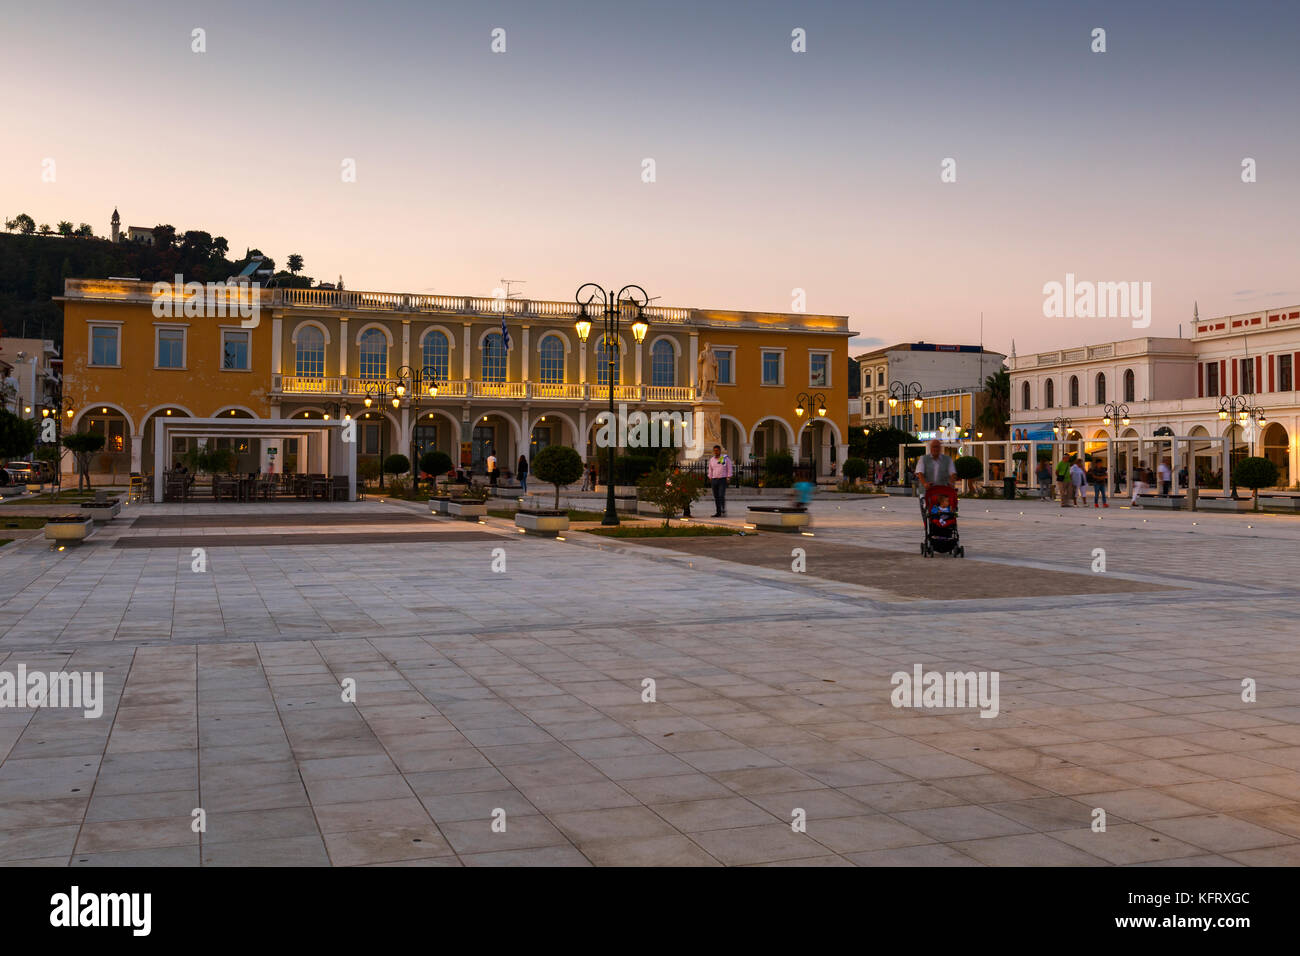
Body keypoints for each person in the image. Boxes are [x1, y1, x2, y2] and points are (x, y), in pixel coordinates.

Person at [707, 444, 733, 516]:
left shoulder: (724, 458)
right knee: (716, 496)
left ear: (720, 451)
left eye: (717, 450)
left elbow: (729, 467)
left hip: (722, 479)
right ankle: (718, 512)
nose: (716, 452)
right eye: (714, 451)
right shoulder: (712, 460)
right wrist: (710, 477)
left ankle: (723, 509)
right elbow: (710, 469)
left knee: (721, 495)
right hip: (714, 480)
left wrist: (728, 477)